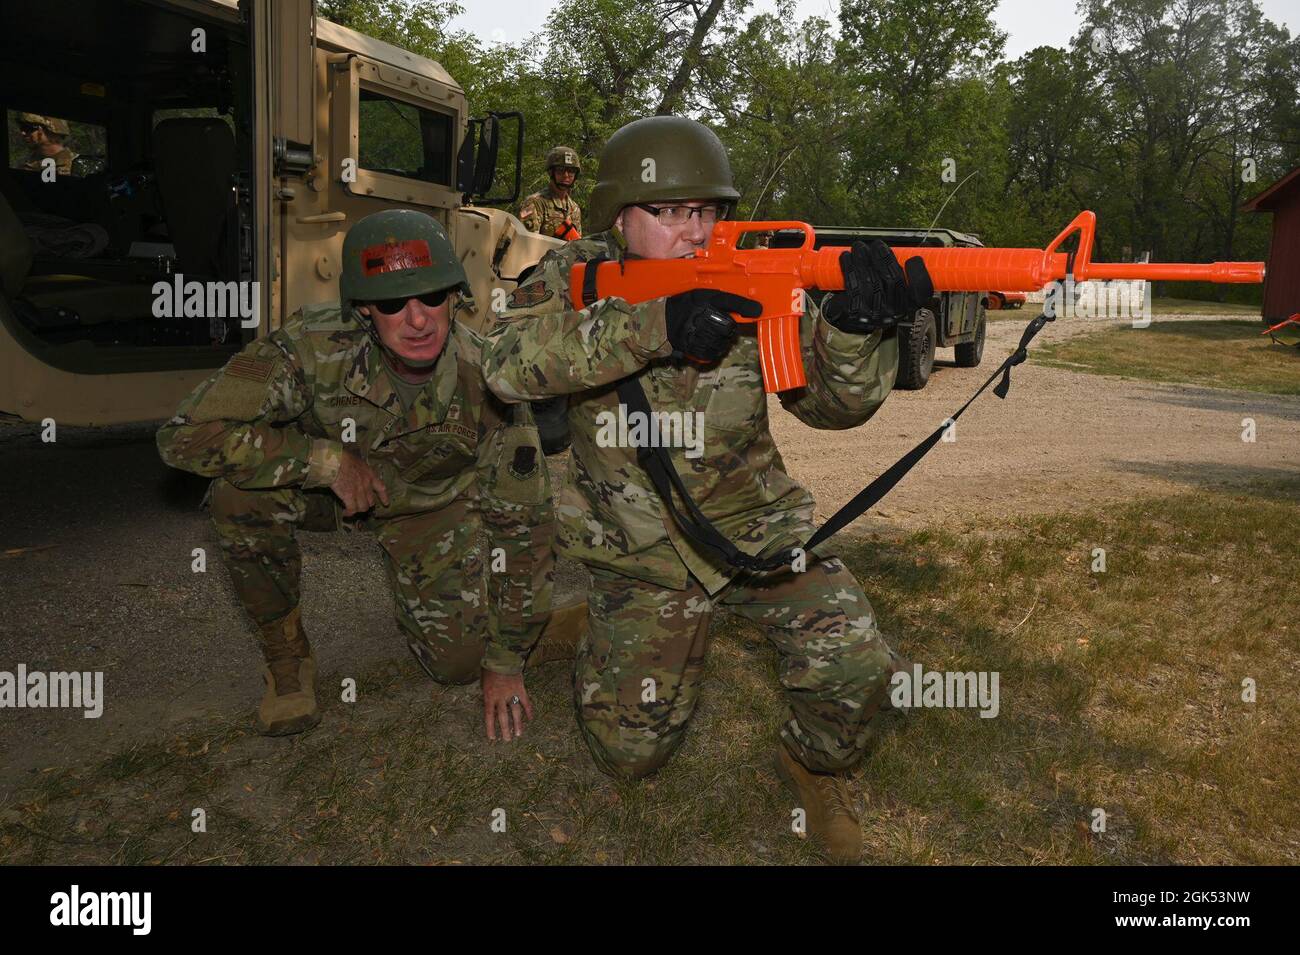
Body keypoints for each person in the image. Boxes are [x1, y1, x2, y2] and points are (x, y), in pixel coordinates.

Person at [481, 116, 930, 863]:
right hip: (640, 556)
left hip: (755, 533)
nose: (692, 232)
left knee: (856, 663)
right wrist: (658, 324)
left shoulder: (750, 279)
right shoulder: (568, 277)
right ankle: (598, 620)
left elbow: (830, 406)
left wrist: (856, 329)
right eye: (667, 213)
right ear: (618, 217)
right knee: (629, 757)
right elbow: (504, 362)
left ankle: (813, 766)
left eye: (706, 211)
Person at [158, 209, 578, 740]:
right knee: (236, 495)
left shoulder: (487, 380)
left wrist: (507, 658)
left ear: (455, 298)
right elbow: (183, 434)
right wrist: (322, 461)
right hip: (331, 494)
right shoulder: (308, 349)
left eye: (431, 297)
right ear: (362, 312)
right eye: (391, 304)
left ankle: (552, 625)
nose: (418, 319)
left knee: (459, 665)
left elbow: (527, 524)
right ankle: (287, 663)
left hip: (431, 508)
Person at [518, 145, 583, 241]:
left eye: (571, 171)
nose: (566, 175)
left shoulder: (574, 209)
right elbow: (527, 244)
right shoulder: (535, 203)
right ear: (551, 173)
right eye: (560, 170)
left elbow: (577, 245)